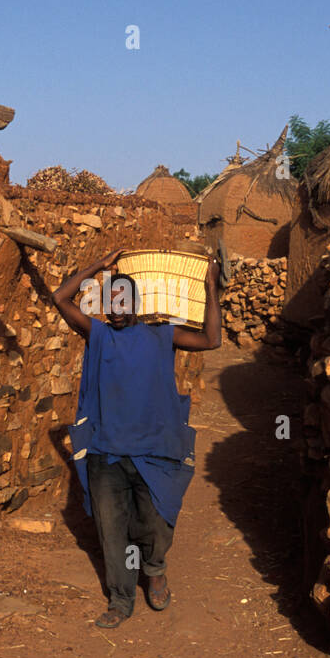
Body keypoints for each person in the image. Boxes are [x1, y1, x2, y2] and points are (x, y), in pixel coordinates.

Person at [51, 249, 222, 627]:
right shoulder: (97, 334)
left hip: (155, 450)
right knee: (112, 530)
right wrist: (97, 265)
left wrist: (210, 286)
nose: (114, 308)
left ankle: (155, 568)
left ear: (137, 303)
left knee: (157, 520)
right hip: (105, 451)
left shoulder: (163, 335)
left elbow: (212, 340)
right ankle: (121, 599)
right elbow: (60, 298)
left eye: (122, 300)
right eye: (109, 300)